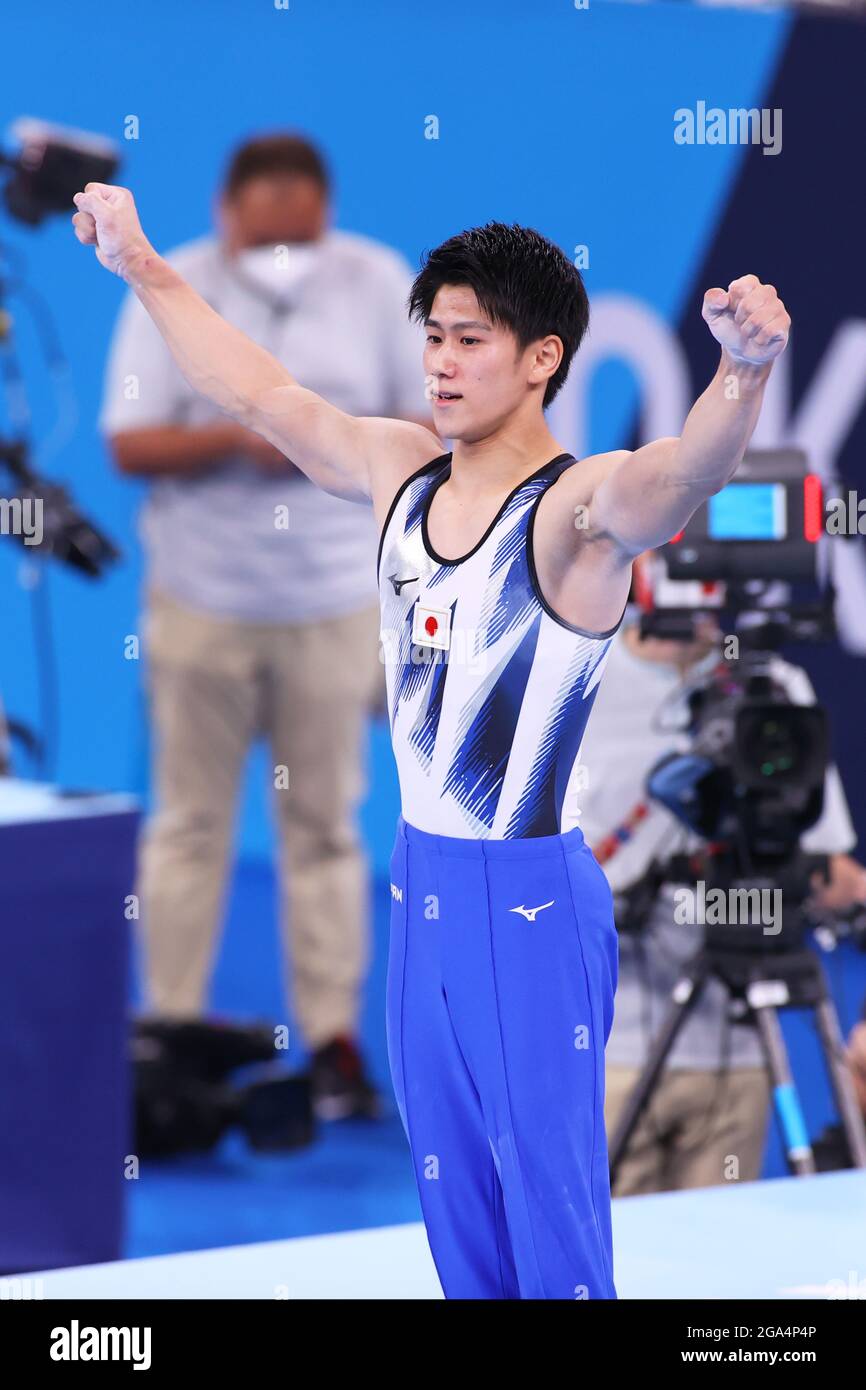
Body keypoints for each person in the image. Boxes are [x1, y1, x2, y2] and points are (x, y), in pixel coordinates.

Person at [72, 179, 791, 1299]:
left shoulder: (572, 512)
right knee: (455, 1219)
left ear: (542, 357)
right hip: (421, 893)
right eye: (433, 338)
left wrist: (740, 372)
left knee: (548, 1212)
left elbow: (678, 477)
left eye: (469, 340)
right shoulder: (398, 469)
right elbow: (257, 392)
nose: (441, 363)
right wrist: (144, 265)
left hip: (528, 904)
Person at [97, 134, 432, 1120]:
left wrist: (331, 447)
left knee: (324, 827)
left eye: (302, 235)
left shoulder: (377, 280)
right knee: (190, 823)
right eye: (265, 237)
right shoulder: (174, 285)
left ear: (323, 215)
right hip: (202, 604)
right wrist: (242, 440)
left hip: (330, 605)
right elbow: (127, 441)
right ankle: (170, 1032)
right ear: (228, 211)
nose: (284, 254)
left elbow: (426, 429)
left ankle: (331, 1044)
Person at [573, 590, 866, 1196]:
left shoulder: (773, 685)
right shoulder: (579, 679)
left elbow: (831, 871)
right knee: (607, 1273)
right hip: (607, 1050)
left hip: (740, 1050)